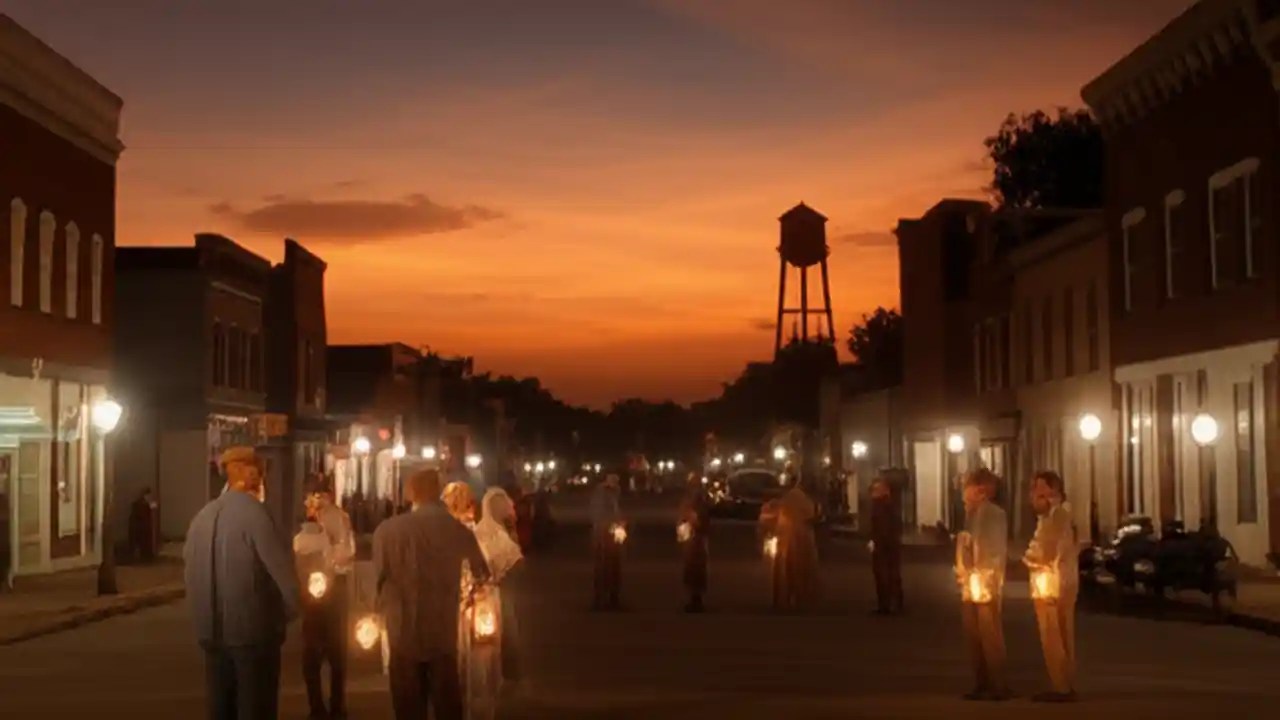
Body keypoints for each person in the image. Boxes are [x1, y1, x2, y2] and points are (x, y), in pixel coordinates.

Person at [184, 446, 300, 720]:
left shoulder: (202, 517)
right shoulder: (256, 515)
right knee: (255, 707)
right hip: (253, 632)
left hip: (211, 632)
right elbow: (282, 573)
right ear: (253, 475)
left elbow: (189, 573)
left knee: (220, 707)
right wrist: (289, 611)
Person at [374, 469, 491, 720]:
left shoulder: (387, 531)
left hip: (402, 630)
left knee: (408, 706)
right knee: (446, 704)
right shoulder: (458, 530)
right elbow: (481, 574)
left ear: (411, 493)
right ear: (438, 491)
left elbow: (379, 580)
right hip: (442, 631)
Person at [295, 479, 355, 720]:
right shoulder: (307, 524)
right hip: (315, 589)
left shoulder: (338, 518)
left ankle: (333, 706)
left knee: (333, 652)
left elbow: (346, 552)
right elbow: (299, 549)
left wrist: (328, 552)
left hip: (332, 588)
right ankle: (320, 706)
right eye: (310, 497)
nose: (312, 502)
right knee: (315, 653)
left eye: (317, 496)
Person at [464, 487, 526, 717]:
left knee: (506, 630)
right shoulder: (484, 533)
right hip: (487, 593)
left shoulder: (501, 532)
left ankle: (506, 674)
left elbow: (516, 560)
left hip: (499, 589)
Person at [955, 467, 1010, 702]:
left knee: (990, 634)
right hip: (970, 583)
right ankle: (981, 682)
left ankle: (997, 684)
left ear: (981, 490)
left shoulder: (993, 514)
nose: (963, 493)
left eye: (966, 487)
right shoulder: (971, 514)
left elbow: (992, 549)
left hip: (984, 584)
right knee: (974, 635)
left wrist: (981, 573)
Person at [1024, 470, 1079, 703]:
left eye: (1038, 490)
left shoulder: (1056, 516)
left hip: (1052, 583)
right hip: (1057, 581)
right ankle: (1064, 682)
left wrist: (1029, 560)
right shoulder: (1054, 515)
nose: (1033, 496)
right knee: (1060, 633)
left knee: (1053, 634)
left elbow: (1046, 550)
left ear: (1051, 491)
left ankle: (1061, 686)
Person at [760, 481, 819, 612]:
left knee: (786, 571)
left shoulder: (786, 500)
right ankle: (799, 598)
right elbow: (812, 515)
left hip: (787, 541)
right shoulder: (803, 500)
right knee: (800, 570)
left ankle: (786, 599)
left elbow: (768, 518)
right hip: (799, 541)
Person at [869, 477, 904, 615]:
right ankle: (893, 602)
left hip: (884, 544)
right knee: (891, 573)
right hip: (890, 543)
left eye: (876, 489)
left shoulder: (881, 506)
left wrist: (876, 541)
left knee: (884, 573)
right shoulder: (889, 505)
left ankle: (887, 604)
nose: (873, 492)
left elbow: (881, 526)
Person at [677, 472, 711, 613]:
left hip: (697, 539)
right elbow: (683, 516)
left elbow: (702, 521)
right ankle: (694, 598)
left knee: (696, 569)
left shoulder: (700, 501)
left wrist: (694, 524)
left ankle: (696, 599)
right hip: (692, 539)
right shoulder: (691, 500)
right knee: (692, 569)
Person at [589, 474, 624, 610]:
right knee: (604, 567)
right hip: (604, 537)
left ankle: (609, 597)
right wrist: (613, 525)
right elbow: (600, 516)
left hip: (610, 536)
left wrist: (619, 524)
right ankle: (603, 598)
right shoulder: (603, 496)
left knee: (611, 567)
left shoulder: (611, 495)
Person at [128, 487, 159, 563]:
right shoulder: (140, 504)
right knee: (142, 540)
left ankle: (145, 553)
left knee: (144, 540)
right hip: (142, 526)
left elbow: (154, 508)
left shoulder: (145, 503)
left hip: (144, 525)